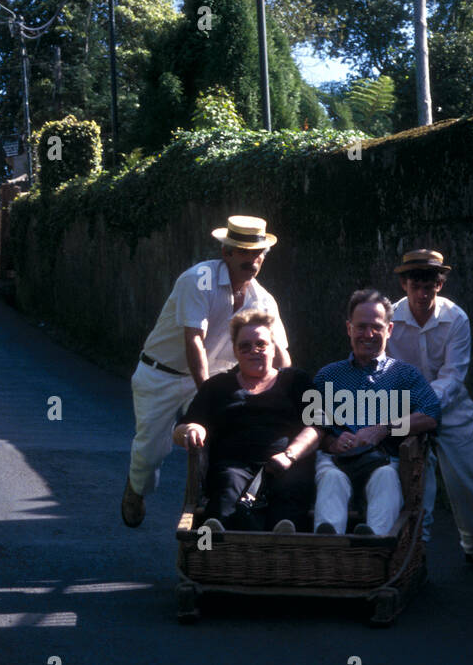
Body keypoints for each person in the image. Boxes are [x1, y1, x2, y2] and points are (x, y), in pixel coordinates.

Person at [121, 215, 289, 527]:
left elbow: (282, 356)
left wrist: (286, 395)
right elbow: (193, 340)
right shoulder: (198, 279)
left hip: (215, 379)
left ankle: (210, 512)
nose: (252, 260)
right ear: (226, 253)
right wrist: (211, 396)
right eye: (244, 252)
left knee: (218, 445)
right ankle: (136, 487)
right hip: (161, 375)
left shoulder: (263, 300)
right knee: (151, 453)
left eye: (258, 253)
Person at [388, 249, 473, 571]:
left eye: (429, 286)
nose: (422, 294)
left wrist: (427, 408)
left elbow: (453, 375)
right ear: (404, 284)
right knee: (414, 482)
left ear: (439, 284)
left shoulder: (457, 318)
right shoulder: (390, 320)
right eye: (416, 286)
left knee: (472, 484)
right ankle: (414, 553)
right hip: (406, 407)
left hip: (451, 408)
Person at [173, 309, 318, 532]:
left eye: (261, 344)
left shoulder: (297, 381)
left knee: (290, 490)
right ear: (235, 351)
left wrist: (290, 455)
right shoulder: (218, 386)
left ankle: (283, 544)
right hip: (233, 468)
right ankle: (215, 548)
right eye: (245, 346)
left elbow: (318, 425)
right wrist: (192, 429)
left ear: (273, 348)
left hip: (286, 464)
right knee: (228, 486)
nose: (254, 351)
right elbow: (181, 428)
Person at [312, 290, 439, 536]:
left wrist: (384, 428)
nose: (368, 335)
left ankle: (374, 546)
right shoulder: (327, 375)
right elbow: (314, 426)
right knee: (330, 479)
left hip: (383, 459)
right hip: (338, 461)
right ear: (349, 328)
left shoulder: (405, 375)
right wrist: (332, 442)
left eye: (376, 327)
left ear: (389, 330)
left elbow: (431, 414)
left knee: (386, 479)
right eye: (361, 327)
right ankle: (328, 546)